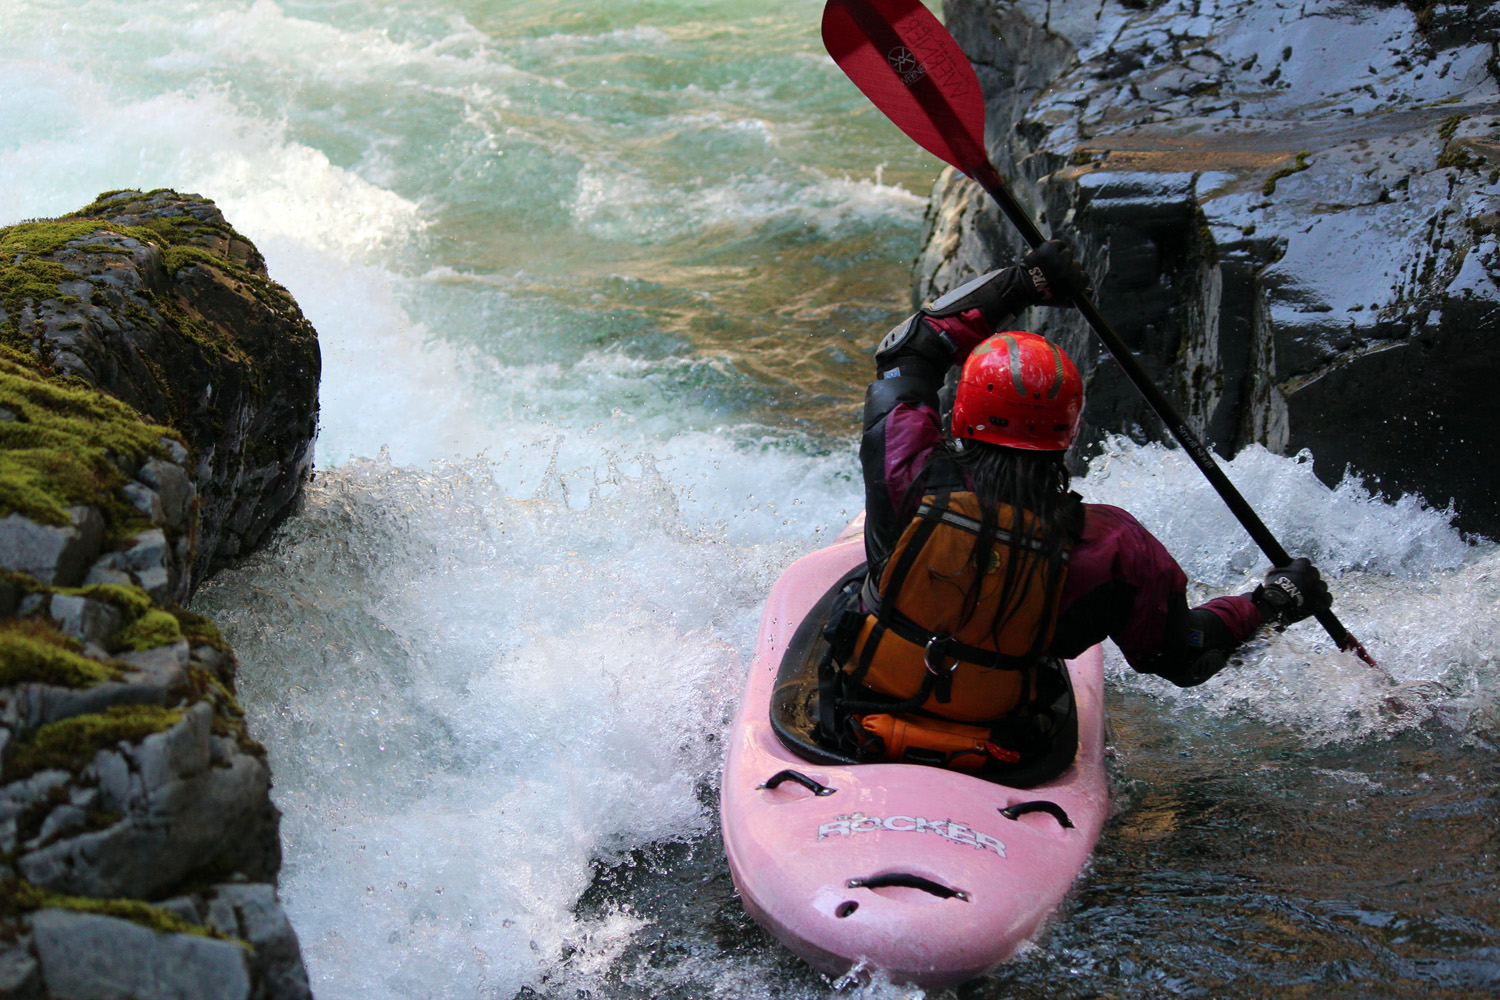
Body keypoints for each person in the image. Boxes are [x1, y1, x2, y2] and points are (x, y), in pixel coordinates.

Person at [816, 240, 1331, 786]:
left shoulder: (907, 467)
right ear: (1070, 429)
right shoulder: (1113, 548)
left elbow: (908, 353)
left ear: (961, 409)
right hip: (1002, 743)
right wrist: (1270, 603)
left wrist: (1022, 282)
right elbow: (1182, 656)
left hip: (859, 709)